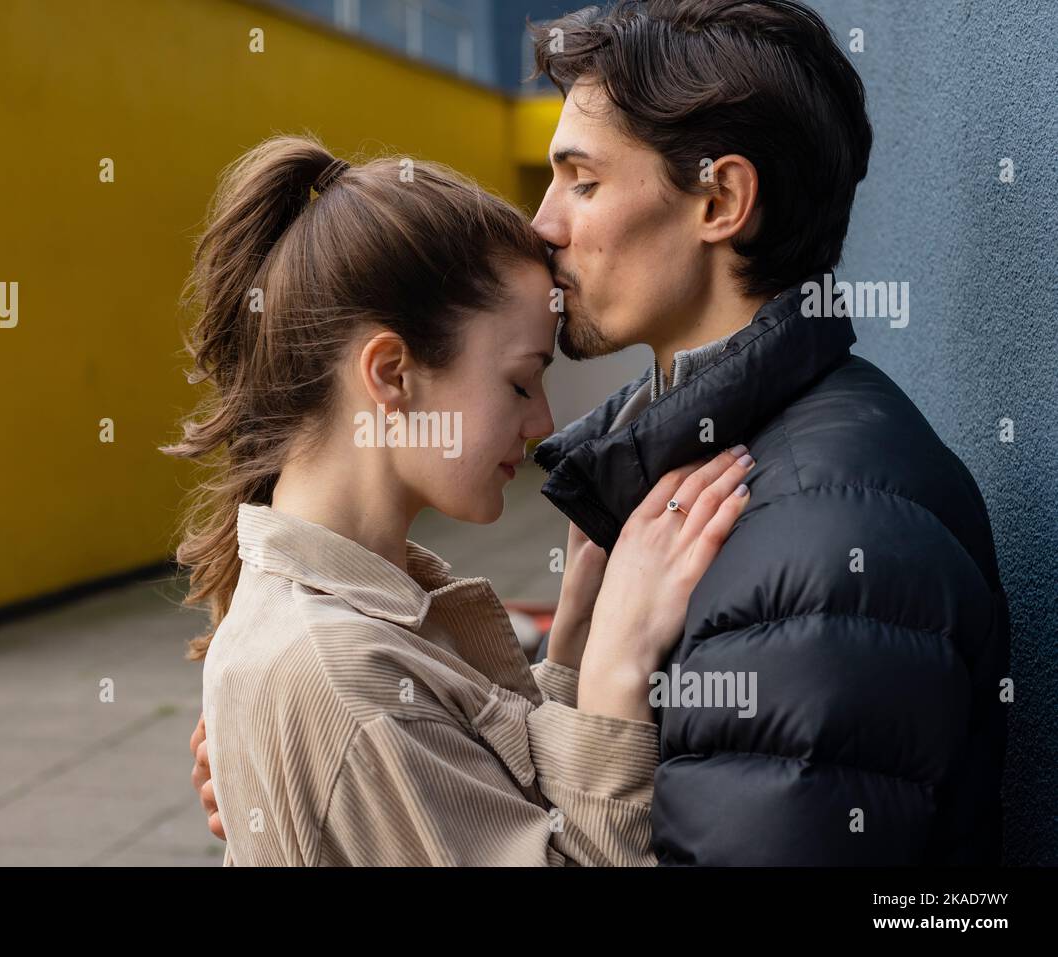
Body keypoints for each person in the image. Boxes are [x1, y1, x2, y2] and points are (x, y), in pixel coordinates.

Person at [193, 0, 1010, 866]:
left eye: (582, 181)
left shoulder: (826, 540)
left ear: (721, 200)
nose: (542, 224)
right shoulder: (686, 476)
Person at [165, 134, 753, 865]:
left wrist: (574, 639)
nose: (542, 423)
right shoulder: (346, 679)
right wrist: (619, 665)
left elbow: (493, 795)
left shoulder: (351, 625)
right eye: (520, 381)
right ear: (391, 373)